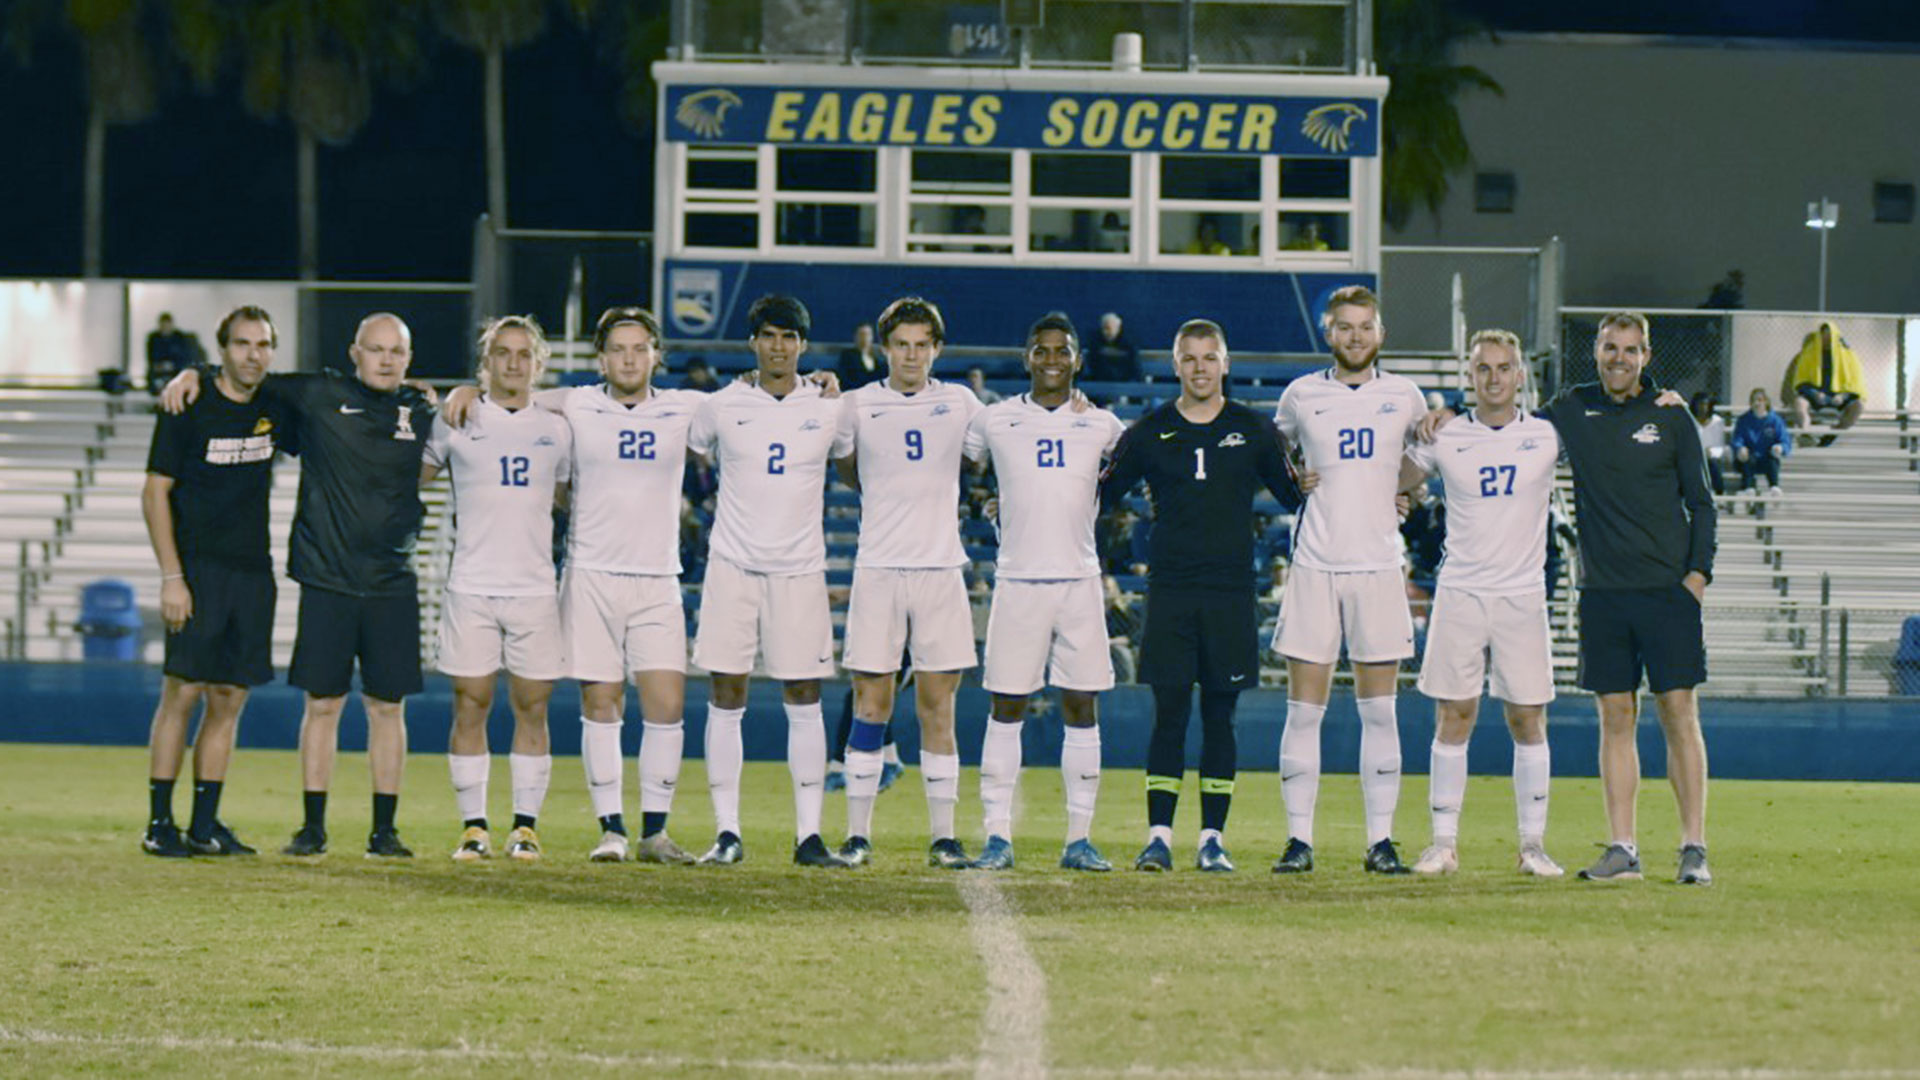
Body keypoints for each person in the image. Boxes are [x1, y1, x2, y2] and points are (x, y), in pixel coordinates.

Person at [1428, 312, 1715, 885]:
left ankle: (1693, 847)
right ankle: (1623, 848)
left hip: (1666, 591)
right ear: (1598, 351)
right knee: (1616, 716)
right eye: (1611, 347)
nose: (1620, 358)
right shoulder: (1568, 412)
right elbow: (1503, 428)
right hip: (1603, 593)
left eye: (1631, 350)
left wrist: (1696, 579)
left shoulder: (1672, 416)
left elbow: (1703, 504)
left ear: (1646, 356)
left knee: (1680, 714)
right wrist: (1439, 418)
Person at [163, 314, 439, 858]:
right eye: (375, 349)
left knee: (388, 709)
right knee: (324, 706)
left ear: (408, 358)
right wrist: (191, 370)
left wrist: (467, 388)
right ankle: (312, 827)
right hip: (326, 581)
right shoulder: (317, 394)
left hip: (392, 582)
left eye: (397, 352)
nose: (386, 360)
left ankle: (385, 831)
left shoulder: (425, 409)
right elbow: (245, 374)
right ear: (354, 352)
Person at [1097, 318, 1300, 873]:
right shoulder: (1147, 432)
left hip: (1232, 594)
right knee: (1168, 715)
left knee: (1220, 716)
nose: (1200, 368)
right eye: (1190, 358)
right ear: (1175, 364)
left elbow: (1299, 494)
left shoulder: (1256, 430)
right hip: (1170, 593)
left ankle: (1212, 838)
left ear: (1225, 364)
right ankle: (1158, 837)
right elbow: (1097, 492)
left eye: (1210, 357)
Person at [687, 294, 851, 868]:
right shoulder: (720, 406)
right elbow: (685, 448)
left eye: (789, 337)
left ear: (802, 346)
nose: (779, 346)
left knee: (804, 697)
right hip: (732, 566)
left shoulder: (831, 408)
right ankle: (727, 832)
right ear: (752, 342)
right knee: (725, 694)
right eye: (769, 336)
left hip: (799, 570)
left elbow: (854, 465)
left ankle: (809, 836)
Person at [1269, 284, 1427, 876]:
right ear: (1329, 333)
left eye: (1365, 326)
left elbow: (1426, 456)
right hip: (1315, 564)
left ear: (1380, 333)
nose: (1355, 336)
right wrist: (1292, 482)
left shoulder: (1406, 396)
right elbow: (1271, 452)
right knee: (1303, 713)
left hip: (1380, 567)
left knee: (1380, 713)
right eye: (1345, 327)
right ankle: (1298, 841)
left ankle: (1381, 841)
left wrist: (1407, 487)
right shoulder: (1301, 395)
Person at [1397, 329, 1564, 877]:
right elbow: (1396, 477)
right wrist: (1412, 441)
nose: (1494, 377)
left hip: (1522, 596)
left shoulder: (1545, 435)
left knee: (1527, 718)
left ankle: (1532, 846)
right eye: (1484, 368)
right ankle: (1443, 844)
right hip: (1462, 592)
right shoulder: (1447, 436)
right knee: (1455, 715)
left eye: (1504, 367)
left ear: (1520, 375)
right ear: (1470, 376)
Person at [965, 312, 1128, 872]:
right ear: (1026, 358)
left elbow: (1144, 466)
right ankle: (997, 837)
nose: (1053, 359)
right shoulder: (995, 420)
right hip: (1017, 581)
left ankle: (1078, 840)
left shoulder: (1103, 425)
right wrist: (985, 505)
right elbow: (958, 467)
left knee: (1082, 708)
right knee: (1005, 706)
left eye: (1063, 350)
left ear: (1078, 359)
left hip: (1080, 581)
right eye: (1043, 350)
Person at [829, 296, 985, 869]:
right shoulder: (857, 404)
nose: (912, 355)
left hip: (941, 569)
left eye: (923, 345)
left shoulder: (961, 402)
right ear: (886, 348)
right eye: (902, 345)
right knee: (871, 702)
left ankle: (944, 836)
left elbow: (989, 452)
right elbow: (844, 466)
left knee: (936, 707)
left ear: (936, 351)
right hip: (878, 569)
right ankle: (857, 835)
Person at [421, 316, 572, 863]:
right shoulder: (457, 419)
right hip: (472, 586)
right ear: (486, 363)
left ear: (538, 363)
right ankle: (474, 826)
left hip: (534, 586)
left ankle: (525, 827)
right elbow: (415, 478)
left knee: (533, 706)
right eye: (502, 354)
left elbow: (565, 496)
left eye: (523, 354)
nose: (513, 363)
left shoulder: (558, 428)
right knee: (471, 702)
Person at [139, 306, 289, 857]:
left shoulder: (277, 404)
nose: (254, 354)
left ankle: (204, 826)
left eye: (264, 344)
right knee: (183, 692)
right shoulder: (190, 404)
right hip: (197, 572)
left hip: (253, 573)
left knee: (229, 698)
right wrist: (172, 578)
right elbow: (155, 492)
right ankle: (160, 823)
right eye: (243, 344)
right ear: (223, 350)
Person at [1784, 322, 1867, 444]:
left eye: (1829, 336)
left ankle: (1831, 436)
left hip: (1839, 397)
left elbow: (1854, 383)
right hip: (1815, 396)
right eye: (1823, 336)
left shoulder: (1848, 355)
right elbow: (1800, 381)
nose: (1826, 339)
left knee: (1859, 407)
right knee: (1799, 403)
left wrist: (1843, 396)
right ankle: (1805, 433)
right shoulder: (1808, 354)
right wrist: (1814, 393)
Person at [1732, 388, 1791, 494]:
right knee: (1747, 457)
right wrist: (1739, 448)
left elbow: (1785, 441)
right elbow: (1737, 439)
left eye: (1760, 400)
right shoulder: (1743, 420)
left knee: (1772, 458)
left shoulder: (1775, 421)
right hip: (1749, 459)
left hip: (1766, 459)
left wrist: (1780, 448)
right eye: (1754, 400)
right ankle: (1749, 488)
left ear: (1766, 402)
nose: (1757, 403)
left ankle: (1774, 487)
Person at [146, 313, 198, 395]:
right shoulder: (154, 339)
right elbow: (151, 357)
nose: (165, 328)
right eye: (163, 326)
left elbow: (185, 357)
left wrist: (172, 365)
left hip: (176, 368)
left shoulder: (180, 338)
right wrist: (161, 365)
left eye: (167, 326)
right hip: (159, 369)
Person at [1689, 392, 1729, 495]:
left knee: (1712, 464)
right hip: (1693, 456)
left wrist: (1711, 452)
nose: (1702, 407)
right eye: (1700, 404)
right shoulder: (1689, 421)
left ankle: (1720, 494)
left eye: (1705, 404)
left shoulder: (1717, 422)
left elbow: (1720, 447)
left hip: (1711, 457)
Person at [1084, 313, 1140, 384]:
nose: (1105, 332)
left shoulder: (1128, 343)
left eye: (1108, 328)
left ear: (1118, 328)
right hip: (1100, 381)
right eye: (1103, 328)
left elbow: (1135, 367)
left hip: (1124, 383)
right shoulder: (1095, 342)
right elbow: (1092, 364)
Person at [837, 322, 883, 390]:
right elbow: (845, 380)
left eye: (867, 335)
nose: (864, 338)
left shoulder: (879, 361)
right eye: (861, 334)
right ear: (855, 337)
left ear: (872, 337)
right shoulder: (847, 356)